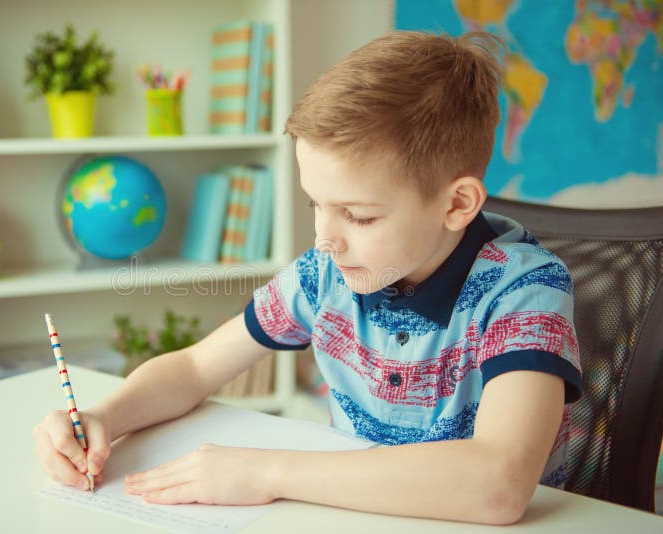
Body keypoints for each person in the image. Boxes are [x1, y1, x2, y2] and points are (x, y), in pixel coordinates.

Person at [33, 31, 582, 525]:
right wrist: (105, 416)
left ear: (458, 203)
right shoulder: (329, 274)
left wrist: (266, 473)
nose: (325, 238)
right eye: (317, 204)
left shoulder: (522, 294)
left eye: (360, 216)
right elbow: (196, 367)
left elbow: (498, 484)